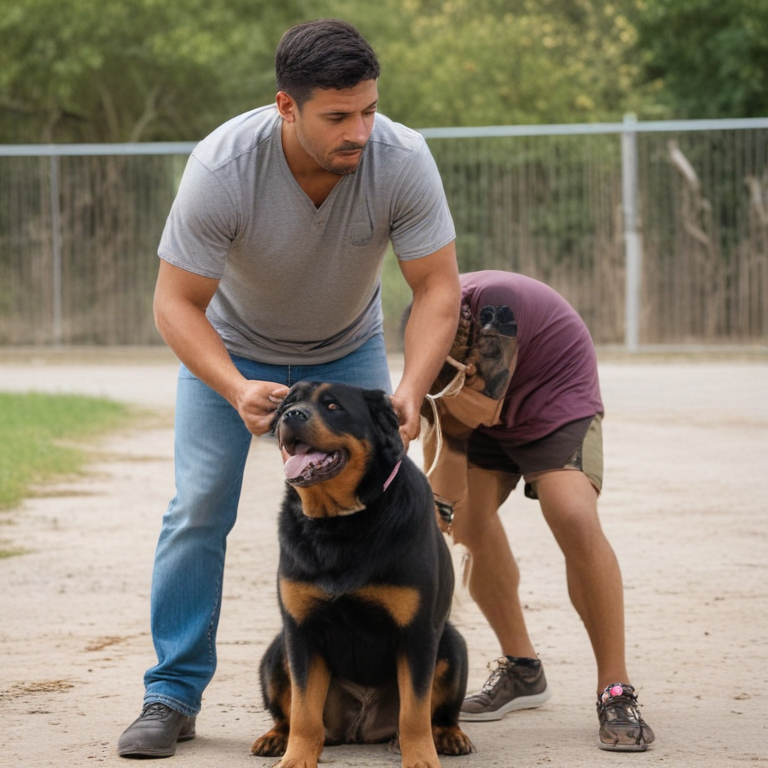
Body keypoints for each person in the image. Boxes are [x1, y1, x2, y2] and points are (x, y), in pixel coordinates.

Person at [117, 19, 460, 759]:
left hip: (349, 347)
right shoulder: (223, 166)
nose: (360, 131)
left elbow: (436, 288)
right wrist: (236, 386)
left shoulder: (401, 159)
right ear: (286, 106)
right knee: (199, 505)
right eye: (338, 116)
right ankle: (171, 695)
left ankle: (400, 691)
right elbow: (174, 303)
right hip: (234, 351)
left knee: (394, 497)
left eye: (368, 109)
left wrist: (410, 388)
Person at [420, 270, 655, 752]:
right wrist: (439, 516)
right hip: (474, 405)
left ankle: (615, 689)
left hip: (554, 401)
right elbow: (444, 441)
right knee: (465, 525)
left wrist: (439, 398)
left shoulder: (496, 310)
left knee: (571, 513)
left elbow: (481, 409)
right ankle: (523, 670)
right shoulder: (425, 335)